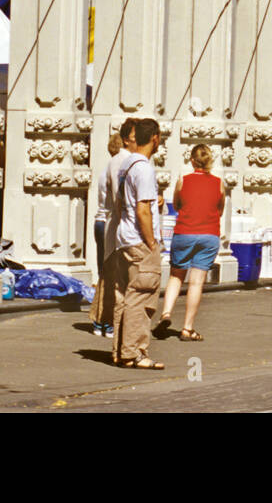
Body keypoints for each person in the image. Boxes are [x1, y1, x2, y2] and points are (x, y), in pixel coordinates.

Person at [106, 116, 164, 370]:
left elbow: (122, 204)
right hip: (139, 240)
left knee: (124, 296)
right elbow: (143, 210)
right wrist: (151, 242)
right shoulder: (144, 168)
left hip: (124, 238)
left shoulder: (125, 165)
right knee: (141, 297)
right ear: (154, 138)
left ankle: (120, 350)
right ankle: (135, 352)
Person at [156, 144, 223, 341]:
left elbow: (177, 204)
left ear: (192, 160)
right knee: (196, 282)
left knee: (176, 276)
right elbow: (220, 208)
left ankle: (166, 313)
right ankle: (187, 328)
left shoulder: (182, 181)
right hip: (209, 234)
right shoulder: (219, 183)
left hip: (184, 232)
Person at [93, 120, 136, 337]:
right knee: (114, 274)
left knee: (106, 272)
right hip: (112, 222)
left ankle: (101, 320)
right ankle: (107, 321)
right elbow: (119, 199)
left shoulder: (107, 166)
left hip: (103, 220)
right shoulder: (120, 163)